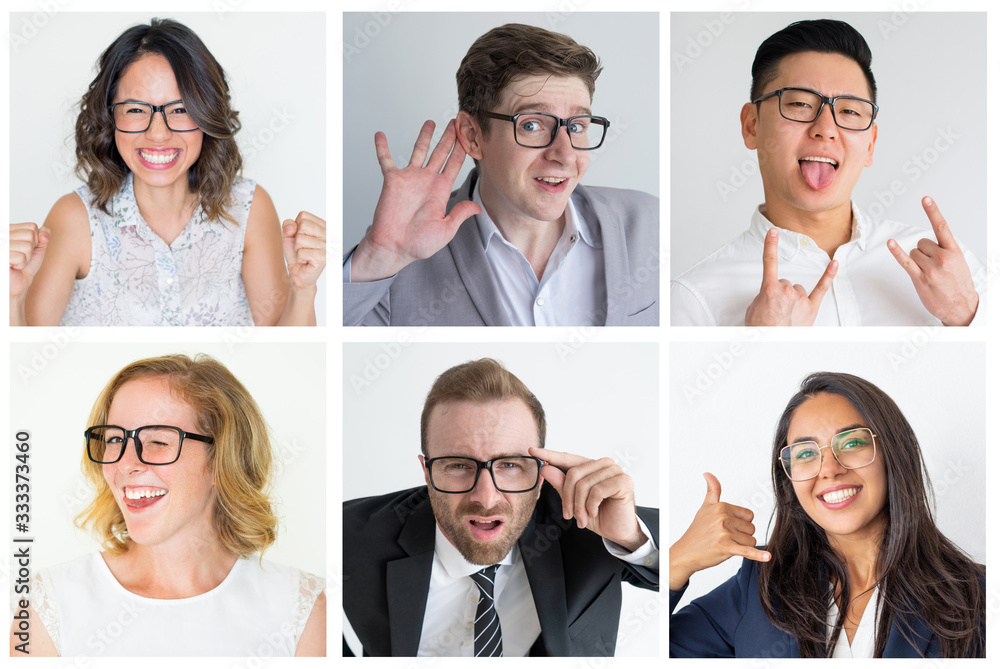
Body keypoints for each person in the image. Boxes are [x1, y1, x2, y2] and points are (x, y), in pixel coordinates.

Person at [8, 18, 326, 326]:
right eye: (135, 109)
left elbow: (279, 345)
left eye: (180, 109)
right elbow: (25, 359)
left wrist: (304, 288)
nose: (158, 134)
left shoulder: (250, 208)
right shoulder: (73, 219)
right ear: (108, 116)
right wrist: (11, 298)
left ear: (207, 114)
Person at [670, 19, 984, 326]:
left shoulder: (950, 267)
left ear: (871, 143)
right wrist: (761, 346)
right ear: (752, 125)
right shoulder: (695, 299)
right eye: (800, 105)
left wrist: (964, 314)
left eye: (848, 111)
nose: (825, 129)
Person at [8, 354, 326, 656]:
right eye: (115, 440)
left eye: (158, 441)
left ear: (222, 460)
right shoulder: (46, 602)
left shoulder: (304, 607)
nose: (125, 464)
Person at [343, 23, 659, 326]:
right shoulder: (398, 262)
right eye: (532, 125)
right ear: (472, 136)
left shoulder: (649, 224)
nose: (564, 155)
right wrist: (376, 258)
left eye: (576, 126)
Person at [343, 358, 659, 656]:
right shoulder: (349, 538)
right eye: (457, 465)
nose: (486, 497)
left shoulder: (585, 524)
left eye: (509, 464)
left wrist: (630, 536)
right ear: (427, 472)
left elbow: (678, 563)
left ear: (540, 474)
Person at [669, 372, 985, 658]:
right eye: (806, 453)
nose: (830, 469)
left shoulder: (979, 595)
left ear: (893, 453)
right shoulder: (760, 586)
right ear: (788, 479)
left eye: (851, 442)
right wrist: (678, 561)